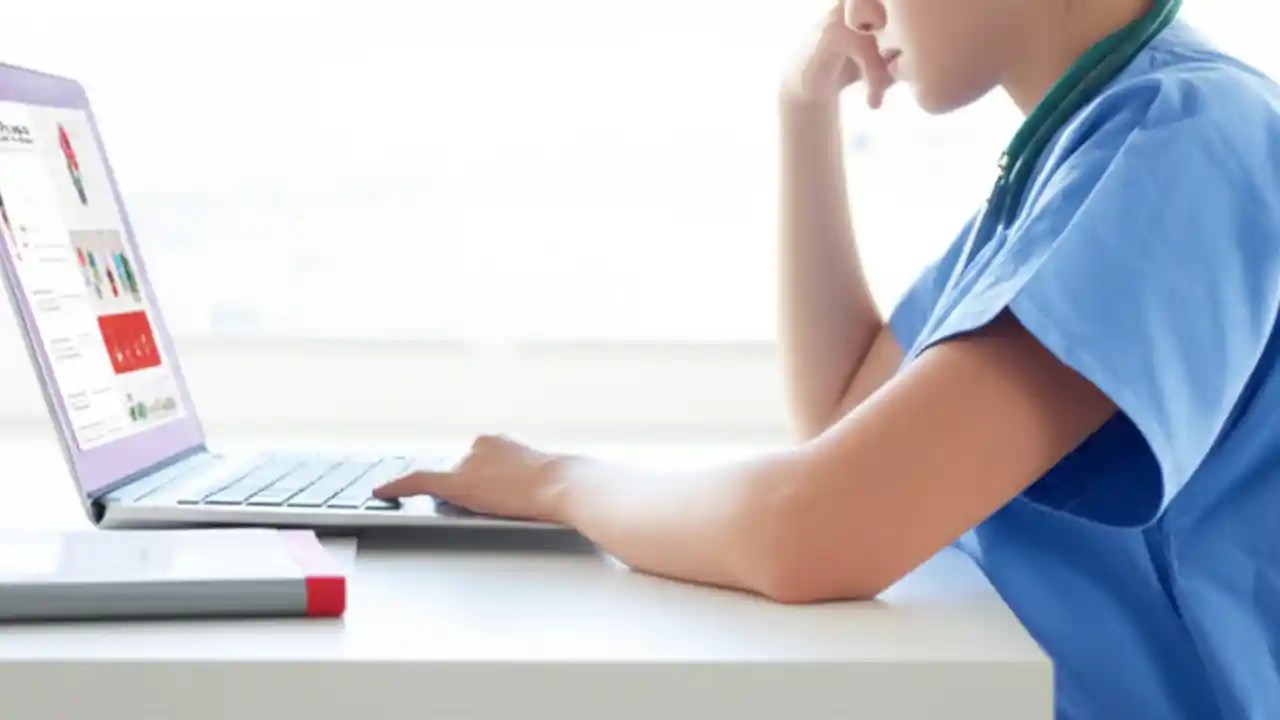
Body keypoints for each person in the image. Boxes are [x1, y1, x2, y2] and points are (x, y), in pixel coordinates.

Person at [375, 0, 1280, 716]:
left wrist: (555, 484)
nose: (854, 13)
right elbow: (847, 414)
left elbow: (814, 529)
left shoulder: (1186, 140)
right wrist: (802, 109)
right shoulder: (1085, 143)